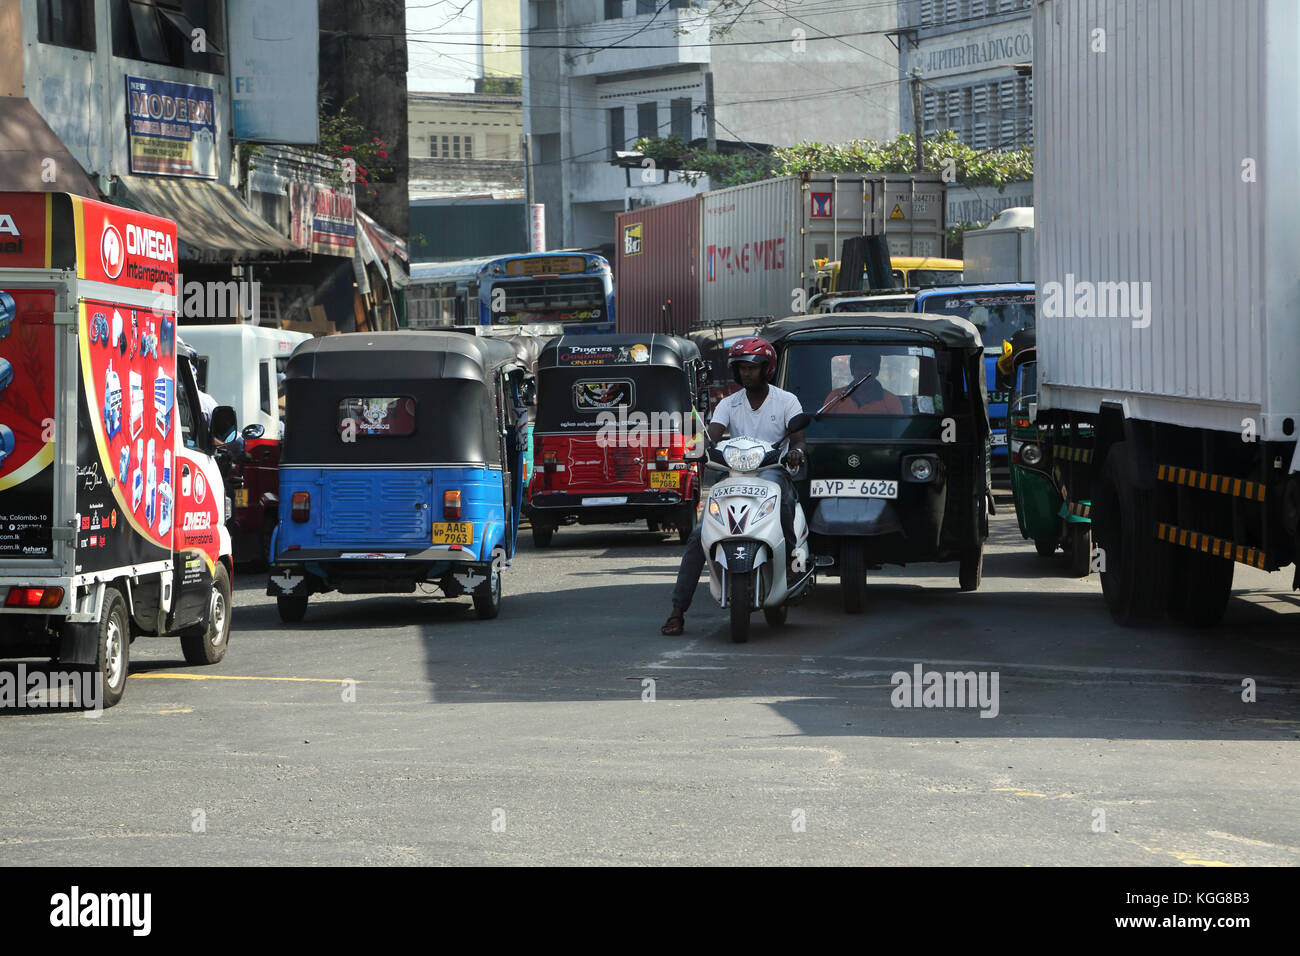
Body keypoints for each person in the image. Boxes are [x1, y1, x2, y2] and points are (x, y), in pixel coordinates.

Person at [661, 337, 807, 636]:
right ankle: (677, 610)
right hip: (734, 477)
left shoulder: (786, 400)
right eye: (741, 368)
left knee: (786, 505)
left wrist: (796, 453)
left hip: (772, 474)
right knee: (700, 535)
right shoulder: (729, 403)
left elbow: (798, 439)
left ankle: (792, 561)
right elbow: (712, 435)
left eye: (752, 368)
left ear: (767, 369)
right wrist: (699, 446)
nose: (746, 374)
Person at [821, 351, 902, 415]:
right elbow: (823, 427)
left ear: (877, 371)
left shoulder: (892, 401)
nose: (863, 372)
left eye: (868, 368)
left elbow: (898, 431)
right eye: (859, 368)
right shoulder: (835, 397)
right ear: (852, 371)